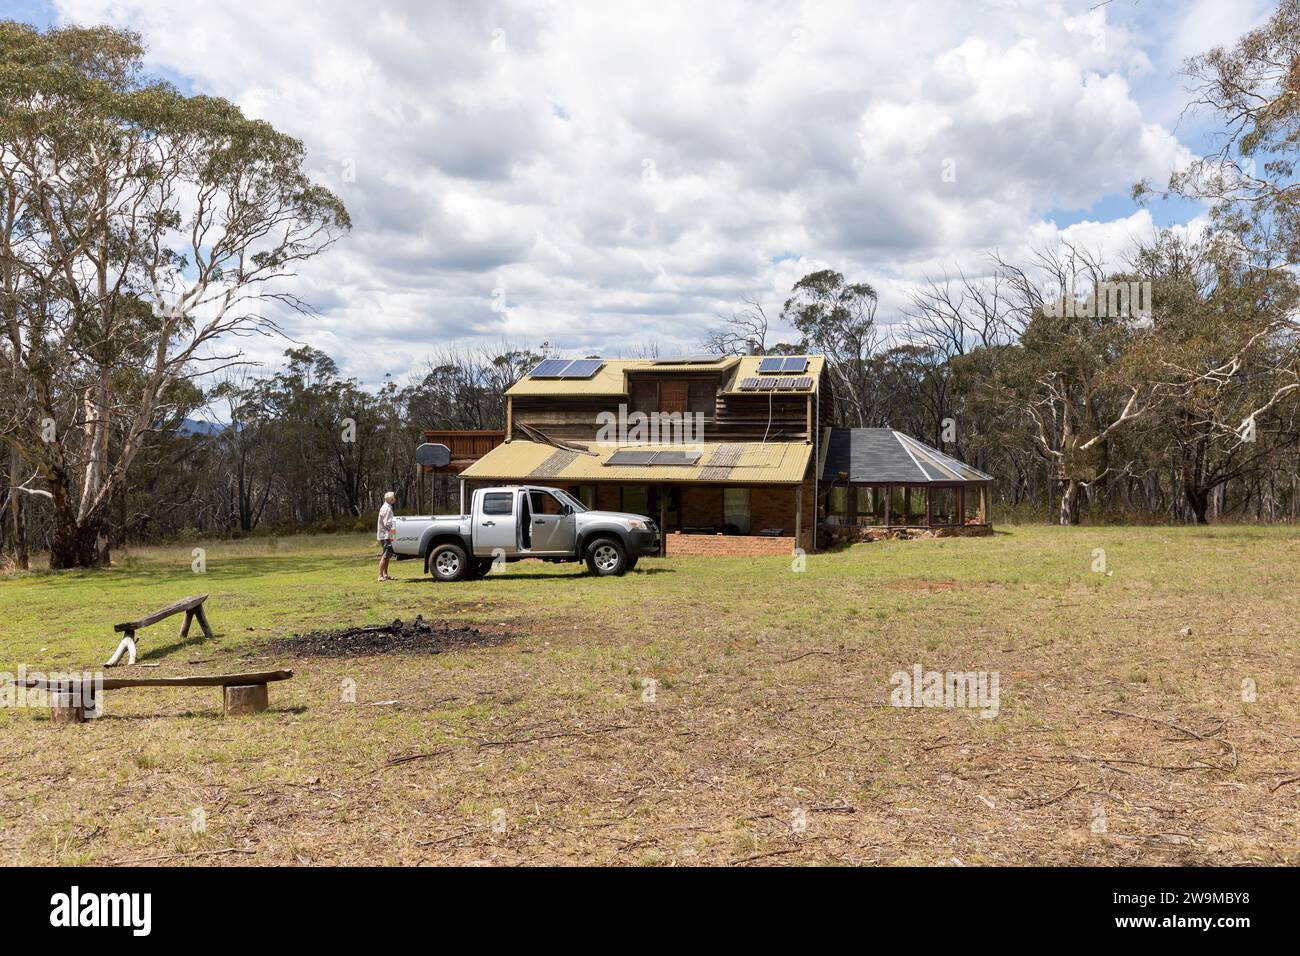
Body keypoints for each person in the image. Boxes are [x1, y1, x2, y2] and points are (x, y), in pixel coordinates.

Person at [377, 491, 397, 581]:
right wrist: (394, 529)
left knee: (388, 555)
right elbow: (387, 523)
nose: (394, 499)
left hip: (386, 535)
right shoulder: (387, 509)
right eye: (393, 498)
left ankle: (385, 575)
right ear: (389, 499)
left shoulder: (388, 507)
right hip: (385, 535)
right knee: (385, 556)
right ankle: (380, 576)